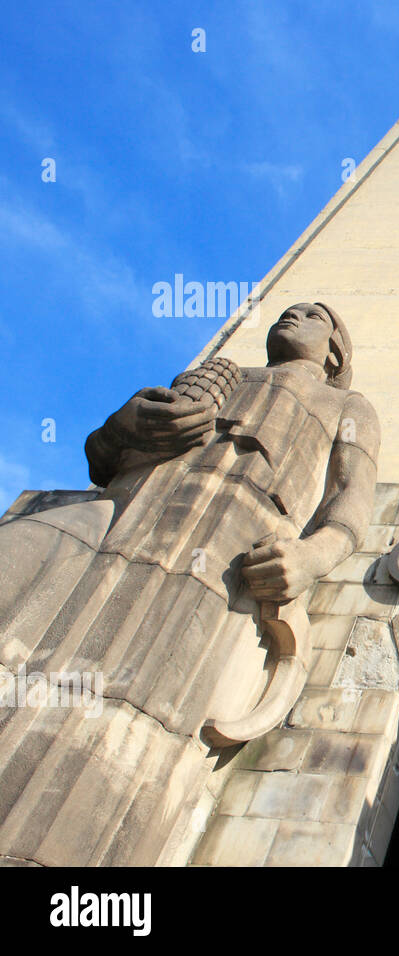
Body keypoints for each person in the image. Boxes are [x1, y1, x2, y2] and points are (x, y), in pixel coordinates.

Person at [0, 303, 378, 864]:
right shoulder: (222, 374)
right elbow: (102, 457)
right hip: (122, 506)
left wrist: (309, 557)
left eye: (308, 317)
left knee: (144, 711)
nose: (290, 318)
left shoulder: (348, 406)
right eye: (285, 311)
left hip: (233, 536)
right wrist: (122, 427)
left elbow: (350, 506)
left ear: (334, 351)